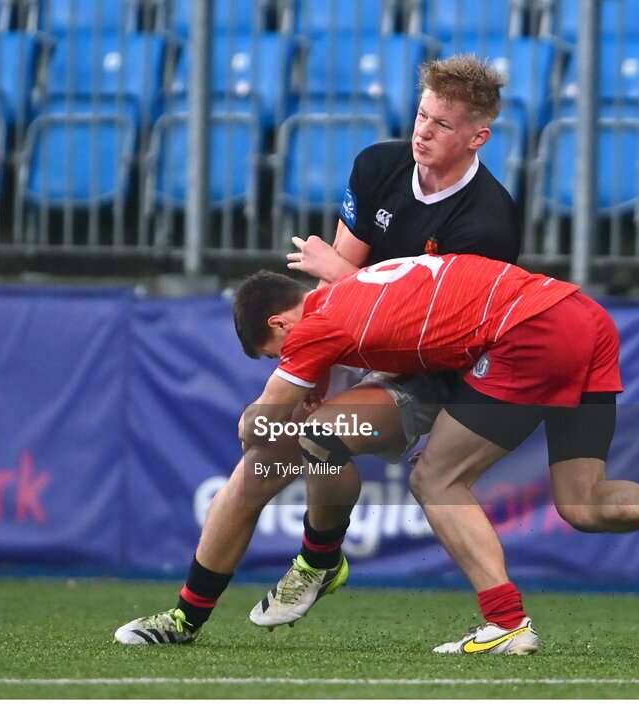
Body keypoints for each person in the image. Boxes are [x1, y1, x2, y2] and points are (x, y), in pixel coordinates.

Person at [115, 54, 522, 646]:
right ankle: (184, 618)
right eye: (420, 114)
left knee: (314, 436)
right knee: (262, 461)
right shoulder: (380, 166)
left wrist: (341, 276)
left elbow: (431, 326)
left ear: (477, 136)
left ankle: (319, 559)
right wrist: (316, 382)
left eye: (440, 125)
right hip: (367, 342)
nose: (422, 132)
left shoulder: (488, 220)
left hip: (433, 371)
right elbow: (338, 303)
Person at [231, 253, 639, 655]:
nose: (285, 358)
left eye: (276, 352)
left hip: (528, 329)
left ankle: (506, 623)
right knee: (582, 501)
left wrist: (262, 413)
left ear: (279, 322)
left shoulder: (314, 326)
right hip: (584, 316)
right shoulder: (352, 285)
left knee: (434, 479)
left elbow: (259, 424)